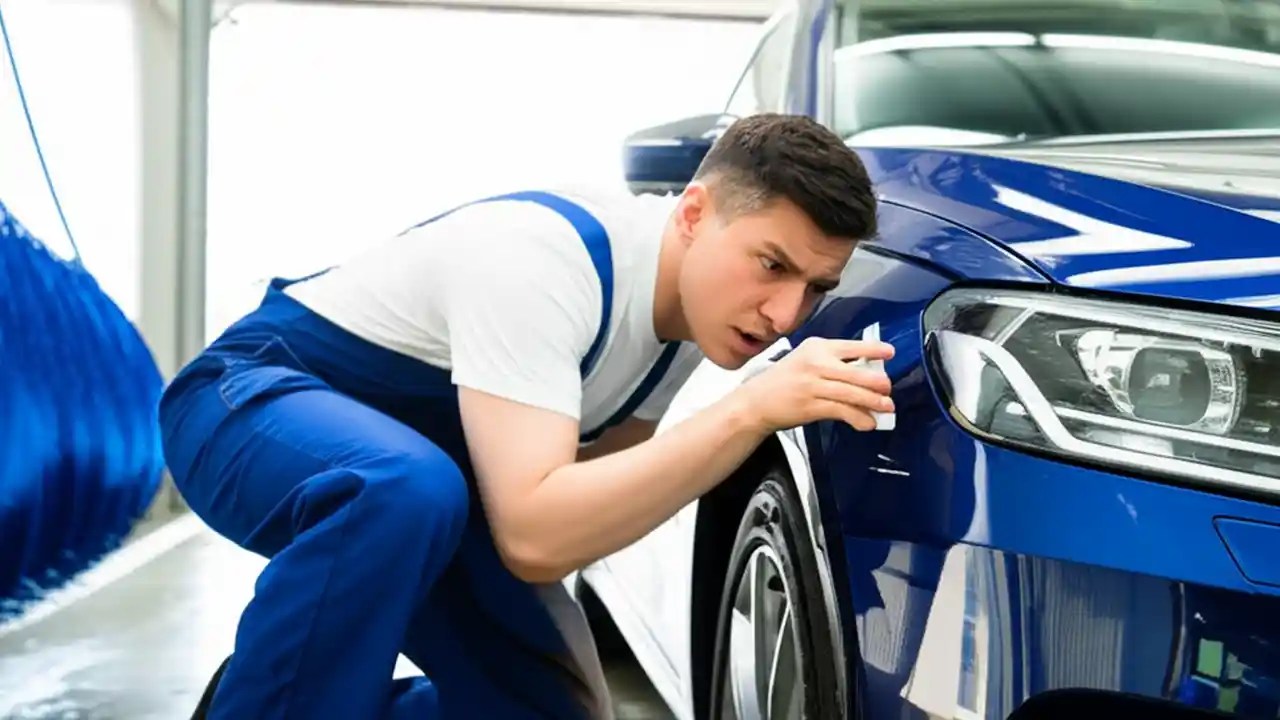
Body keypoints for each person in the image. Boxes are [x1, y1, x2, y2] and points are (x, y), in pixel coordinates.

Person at [158, 113, 893, 719]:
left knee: (554, 712)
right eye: (771, 265)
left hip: (435, 483)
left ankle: (268, 689)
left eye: (815, 288)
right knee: (403, 488)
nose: (786, 313)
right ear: (694, 213)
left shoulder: (692, 329)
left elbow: (576, 524)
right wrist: (750, 412)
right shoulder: (548, 263)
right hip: (243, 402)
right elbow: (535, 535)